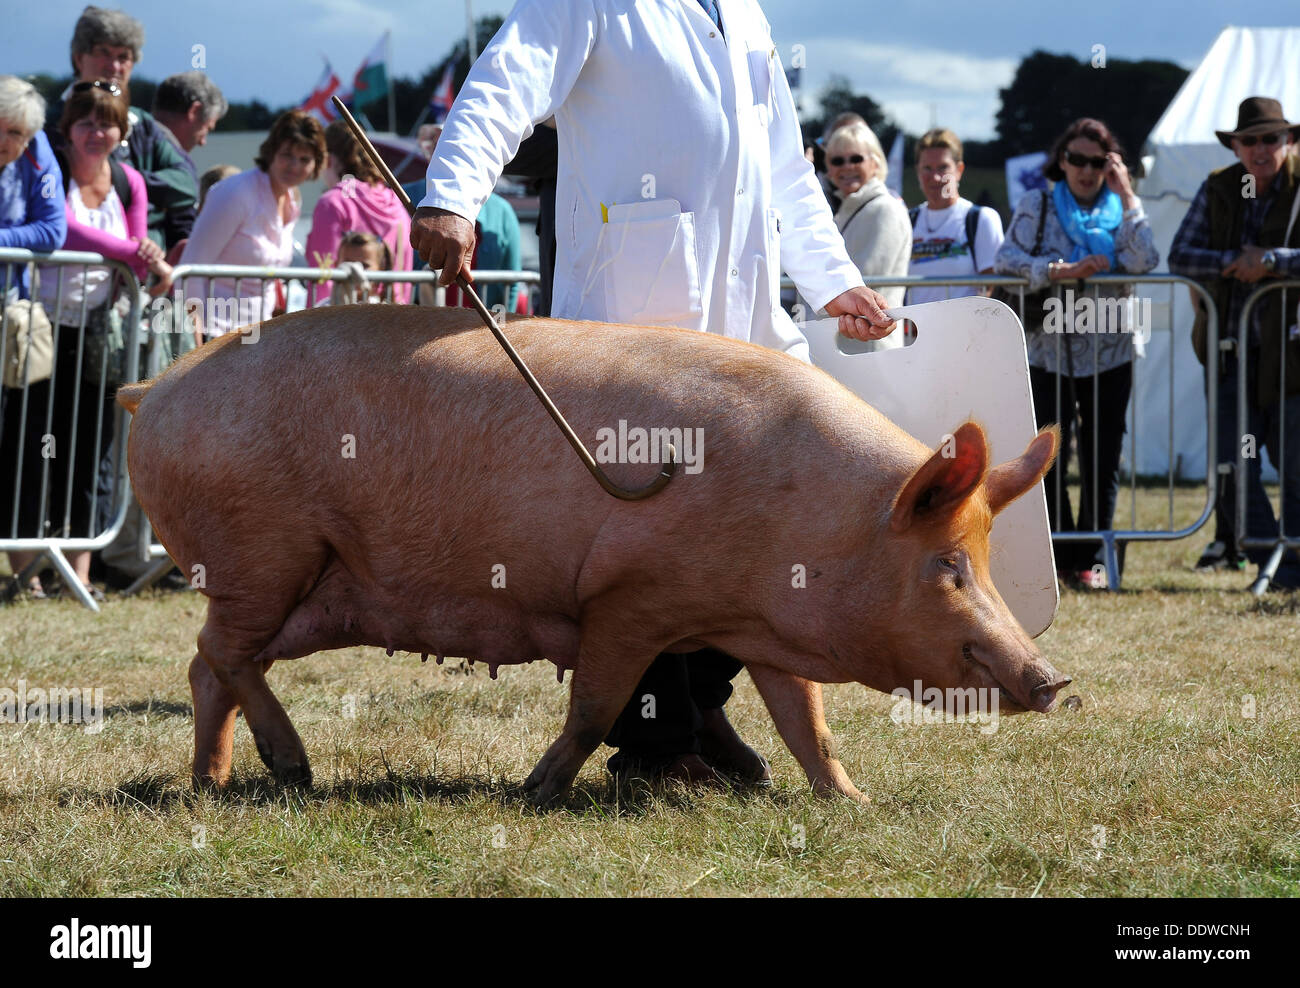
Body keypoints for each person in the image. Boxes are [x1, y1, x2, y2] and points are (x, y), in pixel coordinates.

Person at [409, 0, 895, 787]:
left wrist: (833, 279)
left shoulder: (743, 10)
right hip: (631, 316)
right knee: (641, 530)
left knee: (737, 528)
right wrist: (453, 194)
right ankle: (654, 743)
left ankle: (703, 709)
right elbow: (508, 78)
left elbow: (782, 164)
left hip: (742, 321)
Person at [994, 116, 1159, 588]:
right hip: (1050, 351)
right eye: (1076, 159)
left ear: (1110, 164)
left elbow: (1146, 259)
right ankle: (1060, 557)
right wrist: (1058, 270)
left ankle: (1092, 561)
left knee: (1101, 457)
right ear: (1061, 161)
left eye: (1096, 161)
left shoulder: (1121, 209)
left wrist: (1127, 194)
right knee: (1048, 456)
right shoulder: (1038, 203)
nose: (1086, 170)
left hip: (1112, 351)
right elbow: (1008, 258)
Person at [17, 84, 159, 599]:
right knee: (34, 447)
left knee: (93, 452)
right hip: (43, 329)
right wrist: (130, 249)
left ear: (121, 132)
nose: (97, 133)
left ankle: (78, 570)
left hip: (101, 330)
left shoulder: (129, 182)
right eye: (86, 123)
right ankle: (27, 569)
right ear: (67, 129)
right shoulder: (49, 171)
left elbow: (138, 260)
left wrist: (138, 253)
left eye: (107, 123)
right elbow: (63, 232)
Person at [1170, 97, 1300, 590]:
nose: (1260, 149)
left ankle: (1291, 566)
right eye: (1250, 140)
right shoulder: (1219, 187)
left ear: (1289, 141)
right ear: (1236, 146)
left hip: (1292, 356)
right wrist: (1234, 259)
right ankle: (1269, 557)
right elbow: (1180, 256)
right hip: (1230, 351)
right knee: (1233, 461)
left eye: (1271, 138)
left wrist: (1270, 262)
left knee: (1294, 463)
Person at [46, 6, 197, 253]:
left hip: (140, 275)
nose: (114, 66)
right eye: (103, 53)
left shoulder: (143, 125)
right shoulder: (47, 125)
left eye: (124, 57)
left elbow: (186, 183)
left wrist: (128, 183)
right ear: (78, 57)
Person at [0, 75, 67, 600]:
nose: (10, 143)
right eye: (3, 131)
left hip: (12, 323)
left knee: (22, 450)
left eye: (18, 134)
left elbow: (52, 232)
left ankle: (25, 577)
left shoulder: (36, 144)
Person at [179, 110, 323, 339]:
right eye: (287, 155)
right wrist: (192, 340)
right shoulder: (235, 193)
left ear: (316, 163)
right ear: (271, 151)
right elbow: (190, 269)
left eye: (305, 159)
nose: (294, 166)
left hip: (256, 336)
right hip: (213, 334)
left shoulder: (293, 200)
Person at [800, 121, 909, 339]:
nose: (847, 166)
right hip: (844, 342)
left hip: (870, 346)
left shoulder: (884, 209)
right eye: (838, 160)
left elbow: (863, 284)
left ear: (876, 163)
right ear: (828, 169)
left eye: (856, 159)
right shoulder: (845, 210)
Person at [305, 120, 413, 305]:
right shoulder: (396, 201)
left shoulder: (333, 202)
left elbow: (323, 275)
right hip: (395, 319)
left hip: (345, 321)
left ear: (328, 159)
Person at [907, 128, 1005, 305]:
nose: (935, 177)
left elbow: (993, 287)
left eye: (943, 167)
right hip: (914, 332)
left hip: (966, 330)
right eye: (927, 168)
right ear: (917, 172)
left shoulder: (981, 219)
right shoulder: (907, 220)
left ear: (959, 170)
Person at [152, 71, 228, 261]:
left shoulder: (121, 138)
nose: (203, 142)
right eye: (207, 129)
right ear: (194, 111)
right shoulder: (177, 165)